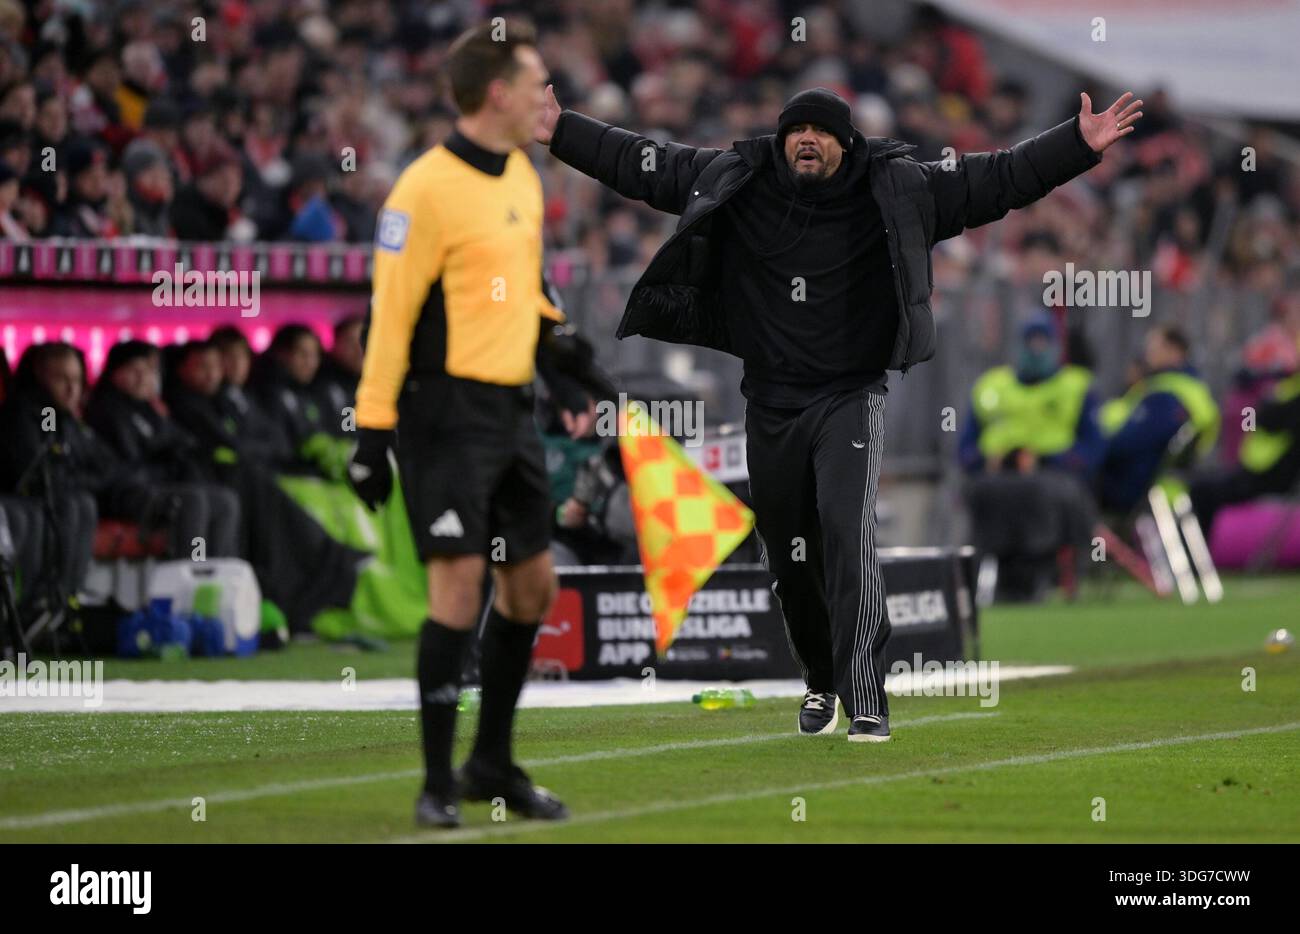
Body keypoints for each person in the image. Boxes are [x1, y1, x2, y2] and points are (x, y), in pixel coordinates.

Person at [538, 82, 1141, 739]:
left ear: (845, 142)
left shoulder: (897, 187)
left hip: (851, 396)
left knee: (847, 534)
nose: (806, 140)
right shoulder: (737, 177)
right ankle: (821, 679)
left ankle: (867, 697)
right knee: (789, 559)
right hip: (769, 400)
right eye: (796, 129)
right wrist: (560, 129)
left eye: (821, 132)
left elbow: (992, 180)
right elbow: (643, 162)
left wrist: (1075, 146)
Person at [347, 21, 594, 828]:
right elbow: (389, 319)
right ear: (497, 94)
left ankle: (491, 763)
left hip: (509, 406)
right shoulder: (421, 191)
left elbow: (524, 290)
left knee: (531, 587)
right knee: (458, 588)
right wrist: (373, 432)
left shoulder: (522, 175)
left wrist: (563, 353)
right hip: (442, 414)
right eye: (534, 84)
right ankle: (433, 784)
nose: (543, 100)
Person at [959, 318, 1104, 601]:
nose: (1036, 351)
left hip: (1054, 475)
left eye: (1042, 343)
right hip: (997, 475)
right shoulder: (991, 387)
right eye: (1030, 343)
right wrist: (988, 460)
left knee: (1040, 493)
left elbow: (1092, 450)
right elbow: (965, 450)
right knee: (992, 491)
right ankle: (991, 576)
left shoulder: (1076, 386)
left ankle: (1037, 572)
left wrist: (1047, 460)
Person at [85, 340, 240, 559]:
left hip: (157, 486)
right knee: (192, 500)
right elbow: (134, 460)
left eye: (148, 372)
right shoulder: (107, 410)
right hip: (126, 492)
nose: (142, 378)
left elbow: (181, 443)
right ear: (115, 372)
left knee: (225, 501)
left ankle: (219, 572)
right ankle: (194, 568)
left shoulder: (151, 409)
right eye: (134, 371)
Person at [1098, 325, 1219, 514]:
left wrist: (1095, 446)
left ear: (1174, 352)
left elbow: (1129, 442)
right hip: (1163, 483)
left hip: (1130, 485)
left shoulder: (1166, 395)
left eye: (1154, 347)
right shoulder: (1191, 390)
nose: (1148, 353)